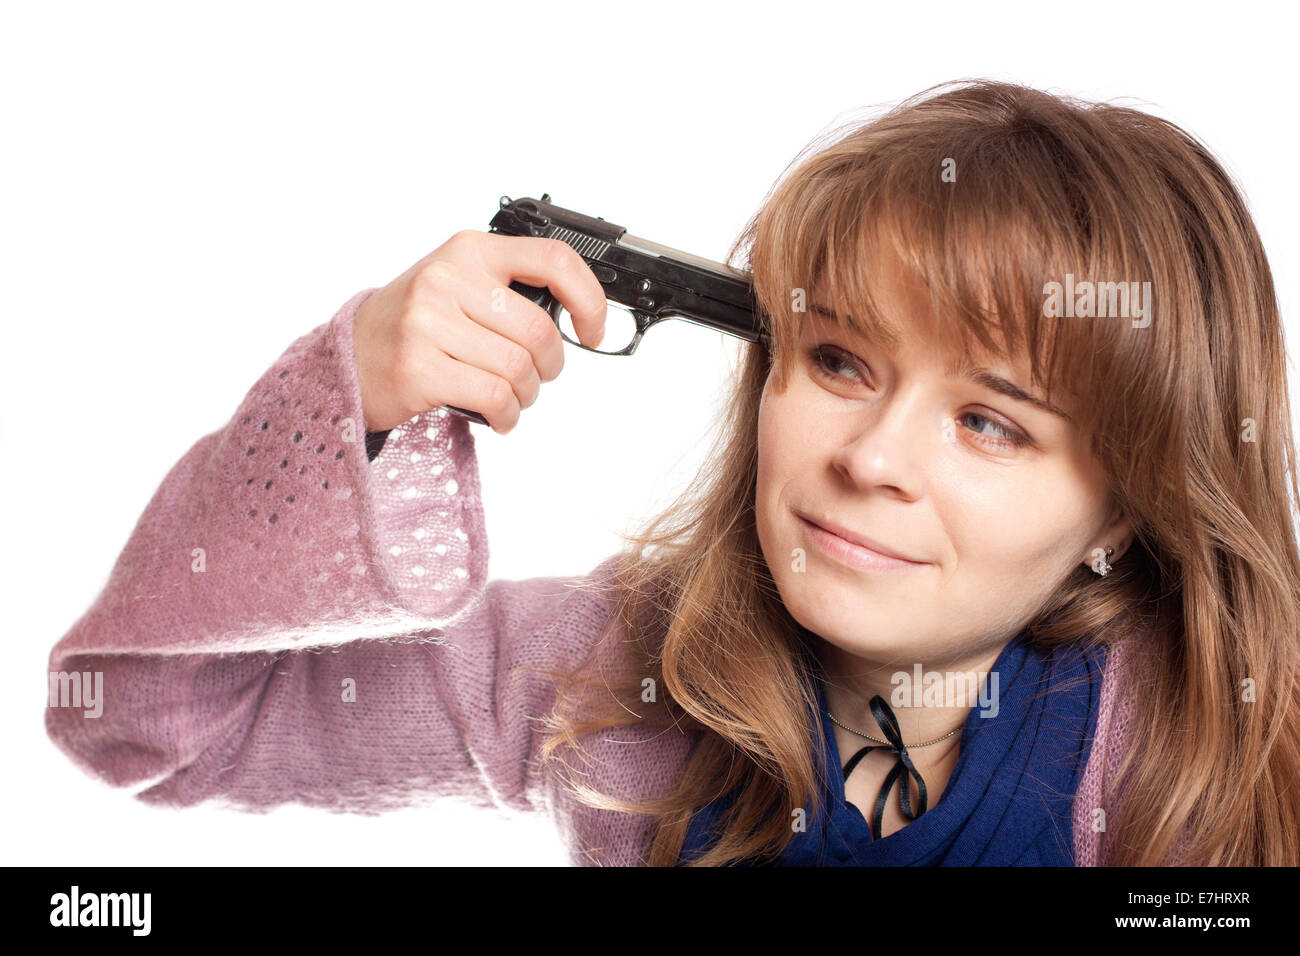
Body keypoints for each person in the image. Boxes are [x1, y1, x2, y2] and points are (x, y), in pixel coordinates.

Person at [45, 79, 1300, 866]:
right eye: (843, 360)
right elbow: (140, 720)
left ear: (1126, 507)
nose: (867, 459)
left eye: (988, 423)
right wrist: (353, 397)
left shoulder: (1201, 752)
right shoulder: (590, 673)